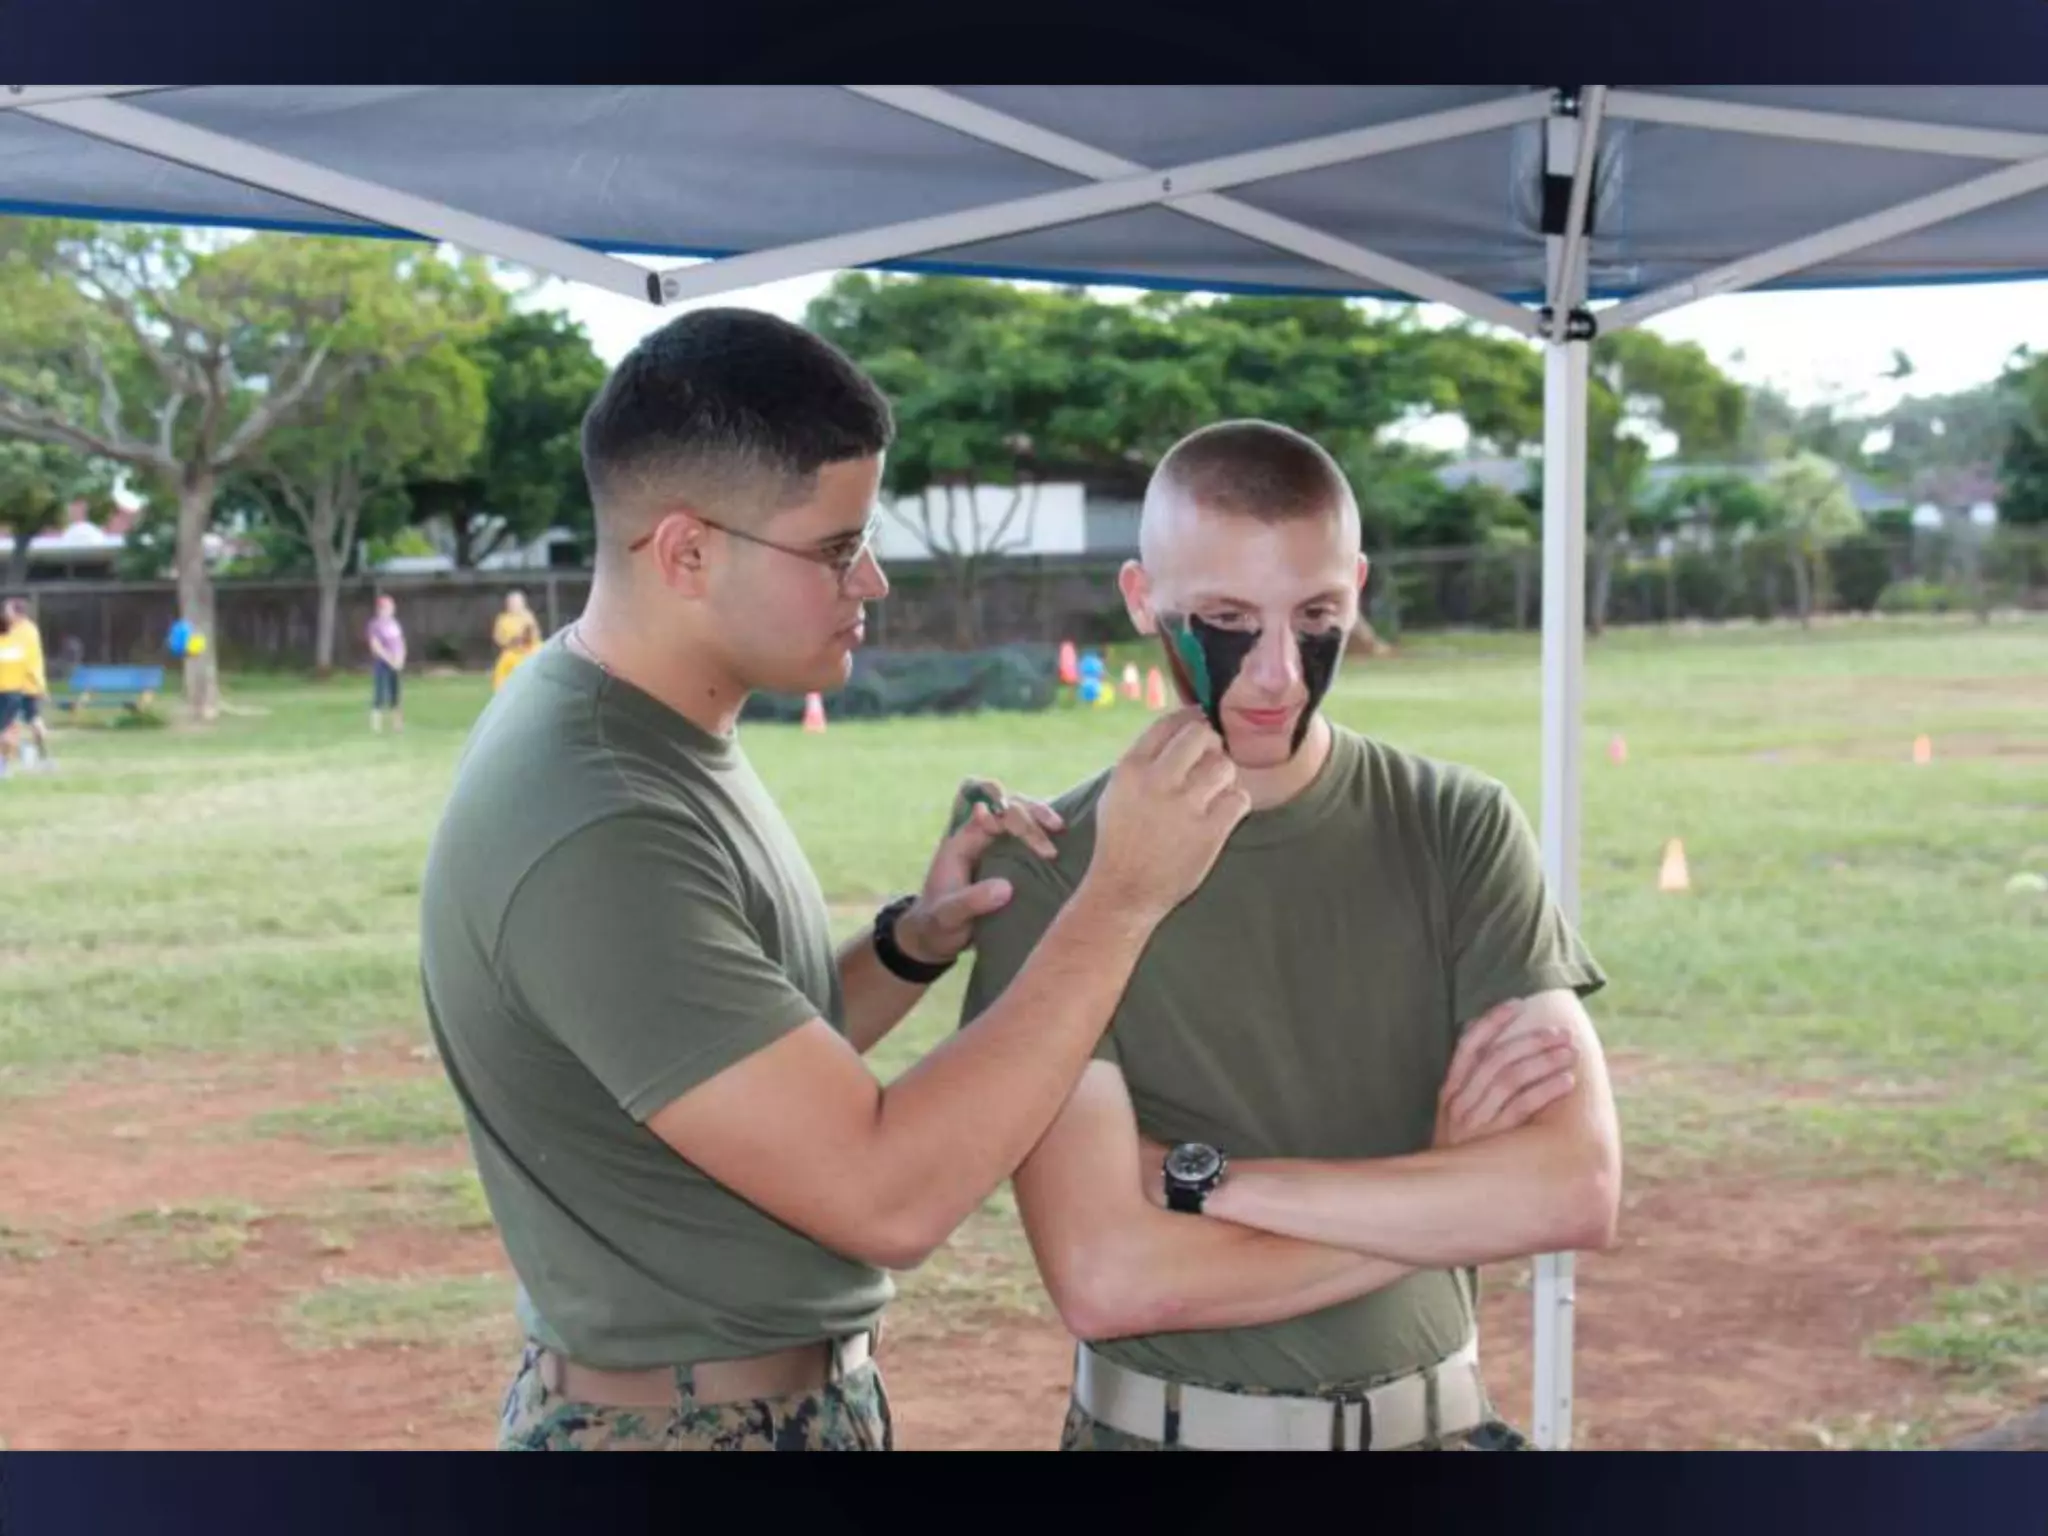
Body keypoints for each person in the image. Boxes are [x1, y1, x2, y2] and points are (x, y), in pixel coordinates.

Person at [418, 308, 1249, 1453]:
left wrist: (911, 943)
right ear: (686, 553)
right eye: (832, 547)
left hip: (736, 1407)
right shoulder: (600, 821)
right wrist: (1122, 898)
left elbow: (716, 1061)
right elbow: (884, 1193)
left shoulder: (638, 728)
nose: (873, 578)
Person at [958, 419, 1623, 1452]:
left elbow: (1569, 1188)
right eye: (1222, 617)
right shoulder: (1044, 872)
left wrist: (1202, 1185)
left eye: (1315, 614)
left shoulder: (1455, 825)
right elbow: (1108, 1277)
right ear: (1141, 599)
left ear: (1355, 586)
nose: (1273, 673)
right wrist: (1442, 1190)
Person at [0, 599, 49, 770]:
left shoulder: (24, 632)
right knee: (31, 719)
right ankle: (40, 757)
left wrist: (38, 685)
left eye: (8, 611)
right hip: (22, 684)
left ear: (18, 613)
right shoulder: (25, 629)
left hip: (23, 684)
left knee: (13, 722)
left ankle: (7, 761)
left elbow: (23, 660)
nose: (5, 614)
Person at [366, 593, 406, 735]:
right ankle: (376, 727)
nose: (389, 609)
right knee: (380, 695)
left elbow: (400, 642)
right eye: (385, 607)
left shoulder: (394, 624)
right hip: (383, 664)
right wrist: (390, 660)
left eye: (390, 607)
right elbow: (376, 647)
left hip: (396, 663)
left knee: (396, 696)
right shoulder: (375, 625)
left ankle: (397, 726)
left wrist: (400, 659)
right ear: (380, 609)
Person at [490, 590, 542, 692]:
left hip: (528, 653)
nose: (513, 605)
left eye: (516, 603)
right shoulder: (503, 618)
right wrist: (510, 641)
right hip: (511, 653)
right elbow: (498, 638)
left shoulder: (528, 617)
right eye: (510, 603)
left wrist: (524, 639)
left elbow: (535, 635)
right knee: (499, 675)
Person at [0, 603, 27, 777]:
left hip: (2, 693)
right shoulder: (17, 646)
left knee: (3, 730)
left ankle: (3, 766)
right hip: (16, 694)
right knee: (7, 728)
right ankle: (6, 764)